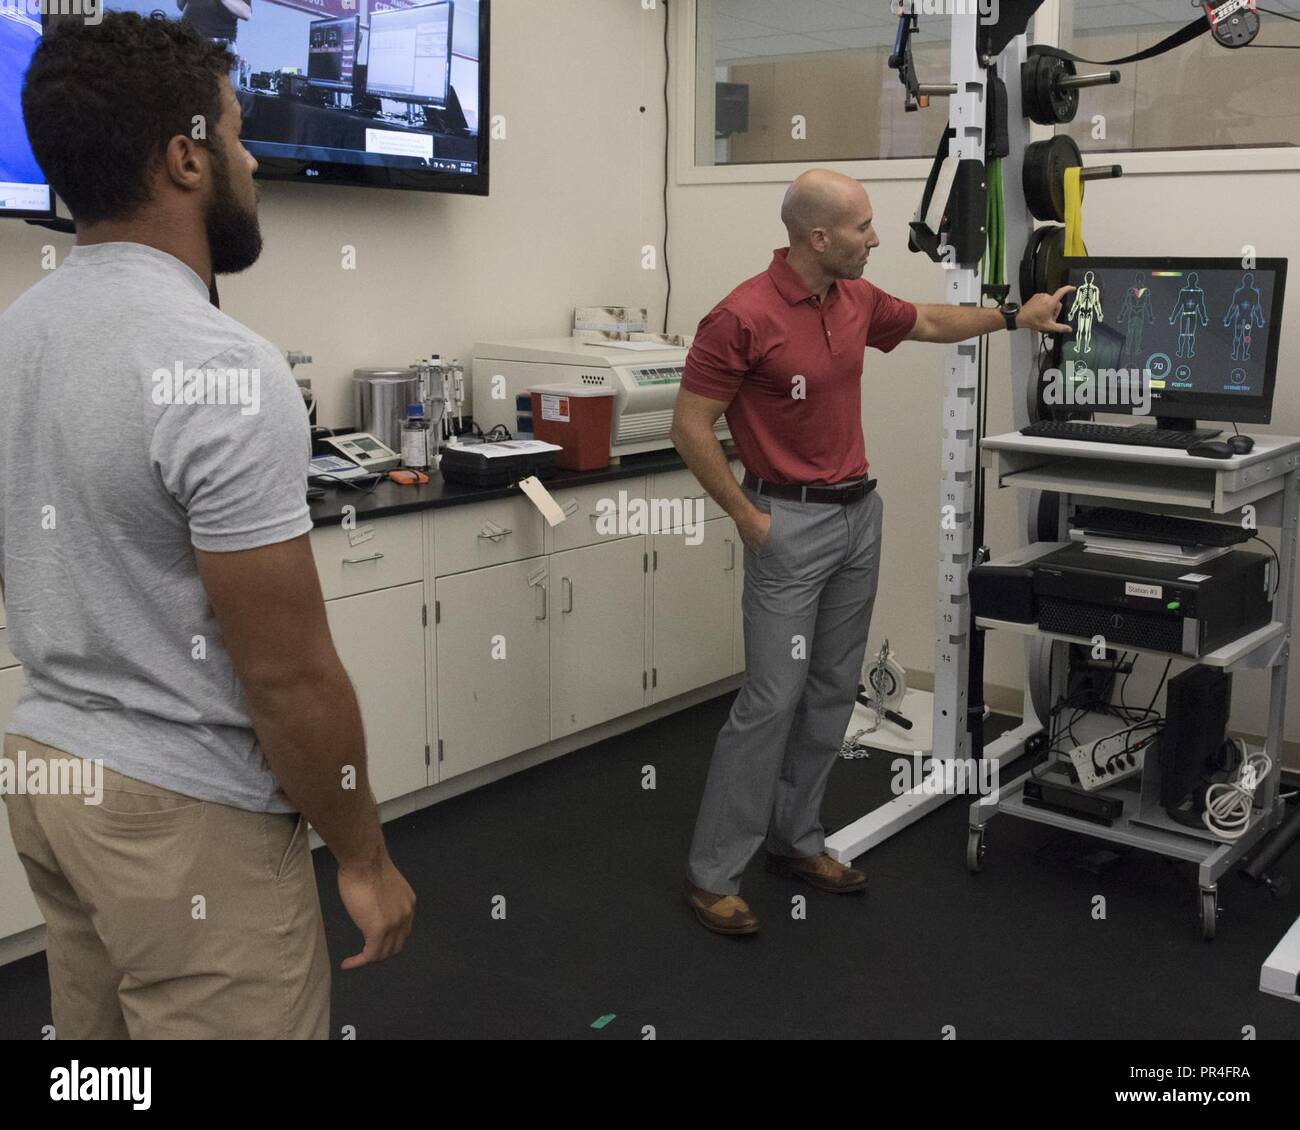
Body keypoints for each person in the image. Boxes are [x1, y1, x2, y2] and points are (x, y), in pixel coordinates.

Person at [0, 12, 414, 1037]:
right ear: (185, 160)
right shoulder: (223, 366)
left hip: (49, 776)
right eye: (235, 133)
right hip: (183, 814)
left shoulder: (15, 336)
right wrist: (363, 856)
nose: (252, 158)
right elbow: (288, 677)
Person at [672, 169, 1071, 935]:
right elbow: (690, 426)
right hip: (787, 524)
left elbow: (927, 321)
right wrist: (749, 518)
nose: (876, 239)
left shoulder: (852, 298)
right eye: (863, 228)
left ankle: (796, 839)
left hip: (859, 517)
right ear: (819, 237)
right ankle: (712, 874)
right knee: (771, 700)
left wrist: (1012, 317)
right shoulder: (741, 316)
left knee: (833, 688)